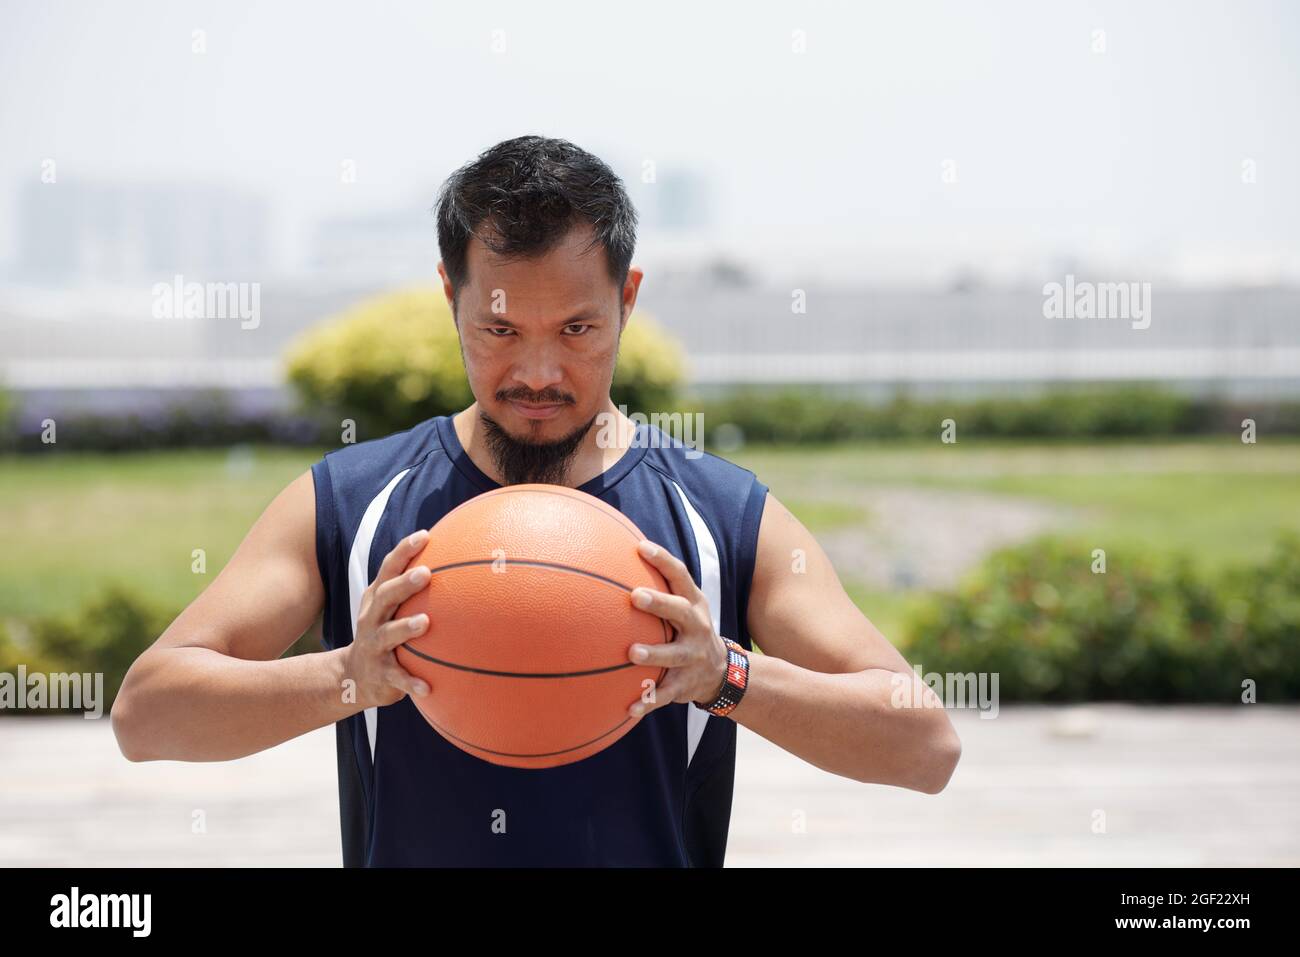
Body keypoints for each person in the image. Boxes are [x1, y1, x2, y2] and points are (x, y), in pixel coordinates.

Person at [111, 135, 961, 866]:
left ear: (628, 301)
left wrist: (726, 674)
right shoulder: (353, 500)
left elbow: (924, 745)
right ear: (451, 297)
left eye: (578, 330)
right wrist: (344, 674)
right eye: (501, 329)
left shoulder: (720, 514)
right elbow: (147, 715)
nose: (540, 373)